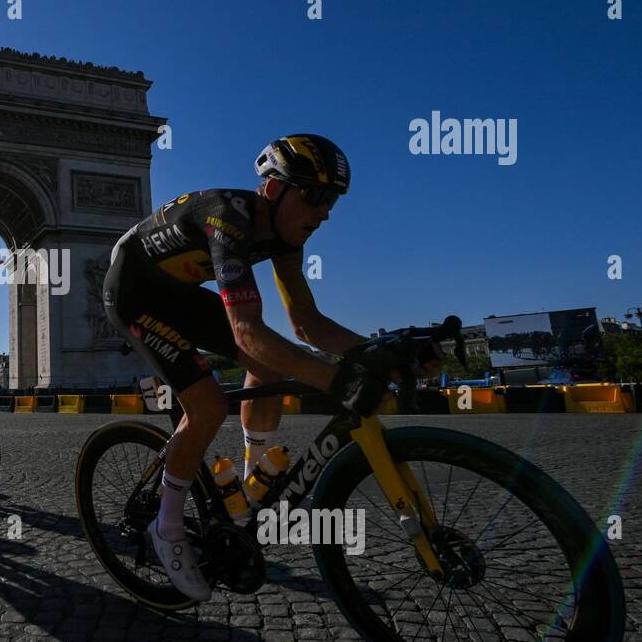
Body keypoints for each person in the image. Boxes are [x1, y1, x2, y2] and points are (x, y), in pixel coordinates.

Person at [103, 134, 442, 601]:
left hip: (179, 294)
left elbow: (307, 324)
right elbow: (246, 332)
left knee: (268, 367)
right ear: (273, 189)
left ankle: (255, 479)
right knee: (206, 406)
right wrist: (338, 380)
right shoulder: (229, 217)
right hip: (134, 294)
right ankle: (167, 527)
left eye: (332, 202)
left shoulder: (285, 238)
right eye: (315, 197)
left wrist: (382, 352)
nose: (324, 213)